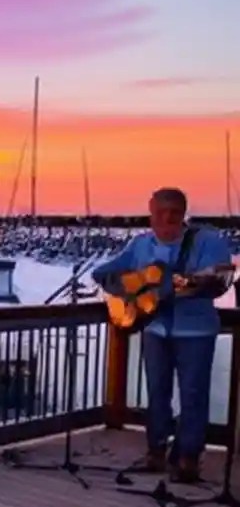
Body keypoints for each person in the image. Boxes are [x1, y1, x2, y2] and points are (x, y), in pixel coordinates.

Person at [91, 187, 233, 482]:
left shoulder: (206, 242)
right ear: (151, 212)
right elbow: (103, 273)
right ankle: (155, 451)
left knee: (193, 395)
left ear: (184, 213)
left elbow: (220, 281)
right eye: (160, 213)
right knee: (157, 394)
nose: (167, 219)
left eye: (174, 213)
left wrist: (171, 287)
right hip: (155, 330)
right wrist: (133, 289)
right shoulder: (140, 245)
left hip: (195, 331)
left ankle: (187, 458)